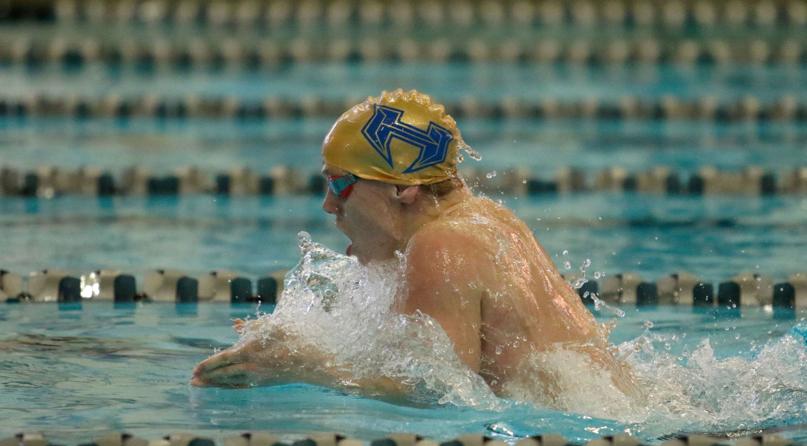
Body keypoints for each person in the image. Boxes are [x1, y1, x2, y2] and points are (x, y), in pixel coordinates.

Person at [192, 89, 639, 405]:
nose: (329, 205)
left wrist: (305, 368)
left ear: (402, 189)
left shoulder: (442, 244)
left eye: (340, 184)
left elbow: (438, 393)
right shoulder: (486, 219)